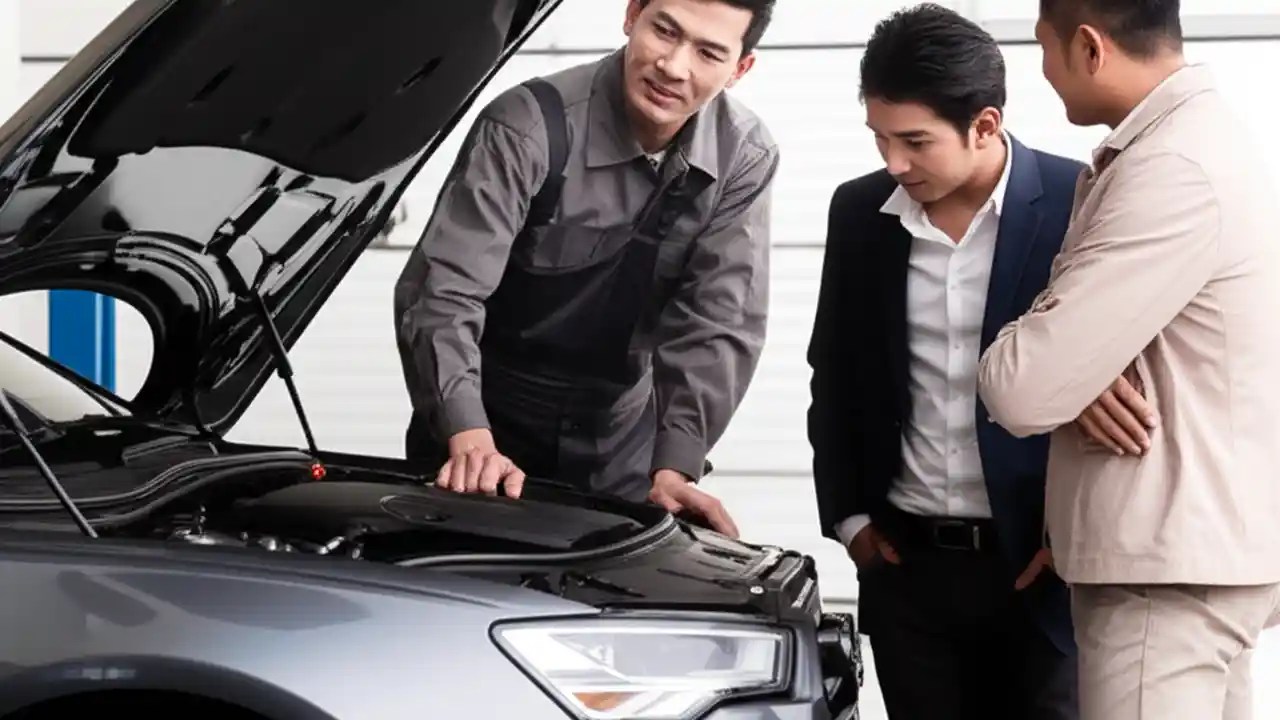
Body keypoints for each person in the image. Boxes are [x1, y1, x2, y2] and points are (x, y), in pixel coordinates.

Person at [977, 1, 1280, 717]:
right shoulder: (1208, 140)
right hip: (1190, 559)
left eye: (1043, 48)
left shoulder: (1171, 164)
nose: (1042, 71)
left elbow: (1022, 386)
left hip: (1163, 578)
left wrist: (1066, 366)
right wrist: (1079, 367)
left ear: (1089, 47)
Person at [394, 0, 780, 538]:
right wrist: (469, 436)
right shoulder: (526, 126)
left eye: (708, 53)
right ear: (632, 14)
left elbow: (718, 323)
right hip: (482, 432)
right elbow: (443, 291)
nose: (673, 66)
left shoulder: (745, 157)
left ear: (740, 68)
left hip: (622, 448)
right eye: (665, 30)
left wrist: (675, 467)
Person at [807, 5, 1085, 718]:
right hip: (907, 570)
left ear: (984, 125)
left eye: (915, 142)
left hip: (1041, 572)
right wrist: (850, 521)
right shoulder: (859, 211)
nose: (894, 163)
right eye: (880, 138)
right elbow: (834, 373)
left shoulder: (1078, 200)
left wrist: (1078, 537)